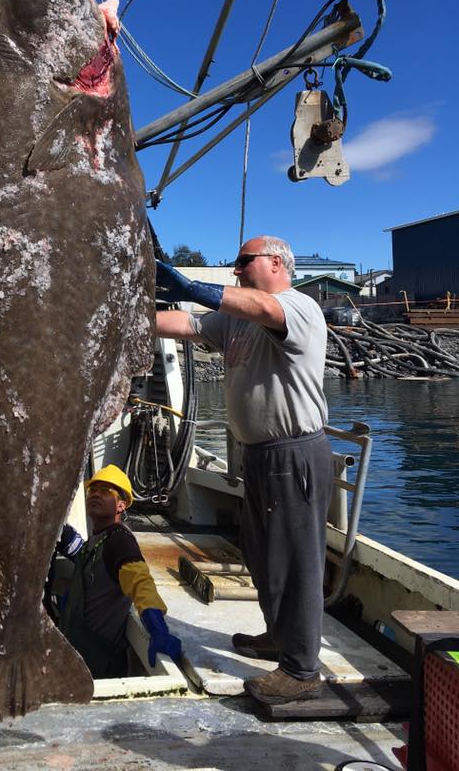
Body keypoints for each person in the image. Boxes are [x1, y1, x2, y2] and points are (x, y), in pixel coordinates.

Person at [155, 235, 333, 706]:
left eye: (243, 261)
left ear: (276, 262)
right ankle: (280, 635)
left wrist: (192, 284)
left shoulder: (297, 308)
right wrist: (119, 319)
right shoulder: (236, 322)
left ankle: (301, 670)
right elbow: (188, 324)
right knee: (263, 555)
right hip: (257, 455)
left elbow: (261, 310)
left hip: (292, 454)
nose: (235, 270)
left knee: (295, 562)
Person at [0, 464, 181, 680]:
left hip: (38, 618)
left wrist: (155, 625)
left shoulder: (59, 529)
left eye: (107, 491)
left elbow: (92, 562)